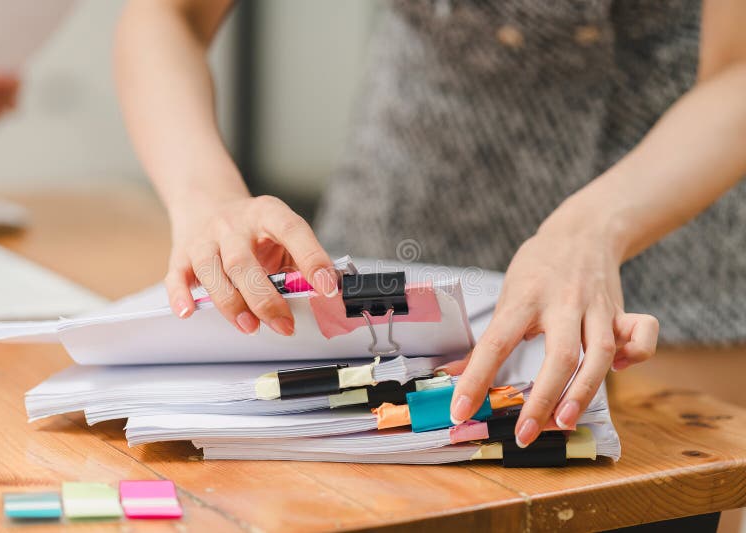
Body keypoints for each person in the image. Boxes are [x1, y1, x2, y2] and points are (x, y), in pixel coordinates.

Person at [114, 0, 746, 449]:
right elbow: (169, 14)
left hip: (667, 212)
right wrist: (206, 199)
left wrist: (594, 228)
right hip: (401, 226)